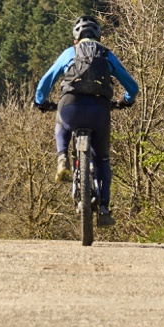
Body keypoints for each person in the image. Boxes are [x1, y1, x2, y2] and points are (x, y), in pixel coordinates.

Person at [33, 15, 140, 226]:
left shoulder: (69, 53)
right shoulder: (106, 54)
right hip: (99, 110)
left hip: (70, 106)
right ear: (99, 38)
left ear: (76, 39)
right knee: (102, 159)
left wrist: (41, 101)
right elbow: (133, 87)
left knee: (61, 122)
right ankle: (104, 209)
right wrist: (126, 100)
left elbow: (46, 81)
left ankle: (62, 157)